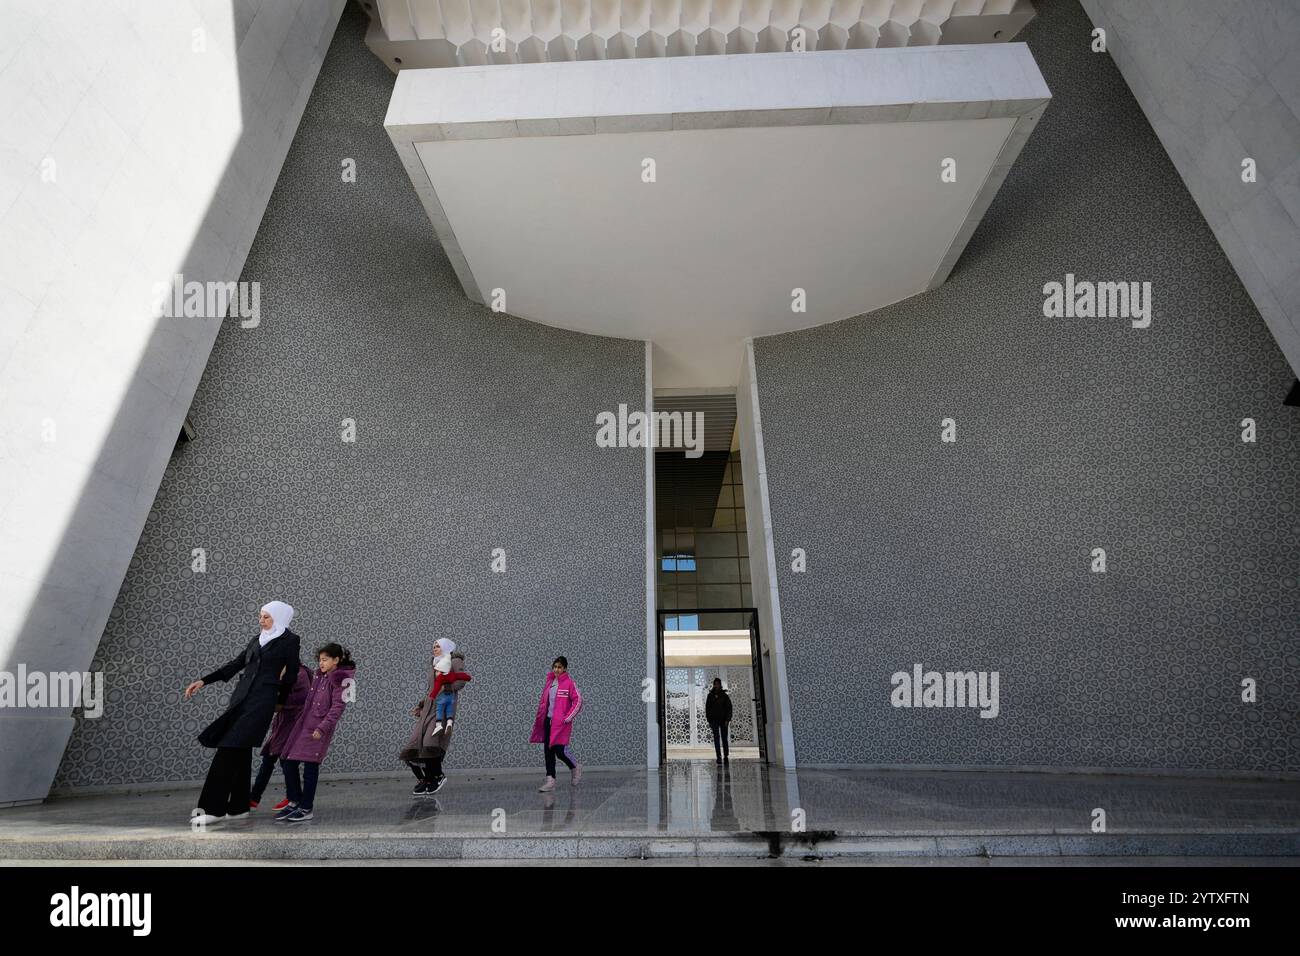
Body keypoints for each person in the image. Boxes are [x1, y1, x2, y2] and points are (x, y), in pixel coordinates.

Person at [184, 601, 302, 826]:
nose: (261, 620)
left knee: (228, 748)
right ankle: (238, 806)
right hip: (240, 699)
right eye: (260, 616)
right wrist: (204, 681)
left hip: (261, 703)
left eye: (266, 617)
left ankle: (212, 808)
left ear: (278, 618)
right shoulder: (257, 639)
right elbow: (236, 664)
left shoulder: (290, 641)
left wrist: (280, 702)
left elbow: (291, 674)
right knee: (240, 750)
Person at [275, 643, 356, 823]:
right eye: (320, 659)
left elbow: (337, 708)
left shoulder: (342, 680)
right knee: (288, 761)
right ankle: (295, 801)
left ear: (336, 660)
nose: (321, 663)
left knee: (310, 768)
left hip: (318, 729)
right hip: (304, 725)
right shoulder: (320, 675)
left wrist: (322, 727)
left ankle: (306, 808)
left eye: (325, 659)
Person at [400, 639, 464, 795]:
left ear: (447, 648)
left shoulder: (454, 661)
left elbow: (461, 681)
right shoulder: (435, 664)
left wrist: (446, 686)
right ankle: (426, 779)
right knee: (413, 746)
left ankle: (438, 776)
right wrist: (422, 705)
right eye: (434, 646)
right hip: (428, 709)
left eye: (438, 646)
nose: (434, 648)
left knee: (430, 742)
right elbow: (431, 689)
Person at [250, 661, 311, 810]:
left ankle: (293, 797)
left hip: (293, 724)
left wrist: (278, 701)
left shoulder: (299, 674)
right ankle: (256, 798)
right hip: (283, 724)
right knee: (272, 760)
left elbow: (303, 698)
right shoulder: (287, 672)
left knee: (283, 761)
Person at [530, 656, 583, 792]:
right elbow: (545, 702)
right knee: (548, 751)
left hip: (561, 723)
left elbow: (578, 701)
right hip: (548, 721)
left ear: (564, 668)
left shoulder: (569, 683)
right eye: (555, 667)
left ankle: (575, 767)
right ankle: (550, 780)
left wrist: (568, 717)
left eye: (559, 667)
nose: (556, 669)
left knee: (559, 751)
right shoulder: (550, 682)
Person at [429, 649, 471, 736]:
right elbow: (462, 676)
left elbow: (436, 689)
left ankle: (438, 725)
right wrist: (468, 677)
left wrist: (432, 696)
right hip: (450, 697)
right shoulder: (451, 674)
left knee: (439, 709)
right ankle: (449, 723)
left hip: (442, 696)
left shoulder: (440, 677)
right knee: (449, 710)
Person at [704, 678, 732, 763]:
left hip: (724, 720)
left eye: (718, 684)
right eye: (715, 684)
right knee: (716, 738)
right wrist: (709, 720)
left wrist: (727, 719)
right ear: (714, 685)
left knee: (724, 738)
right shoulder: (710, 695)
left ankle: (726, 756)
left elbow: (729, 708)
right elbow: (707, 708)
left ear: (720, 685)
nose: (716, 685)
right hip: (714, 721)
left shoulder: (724, 696)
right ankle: (718, 756)